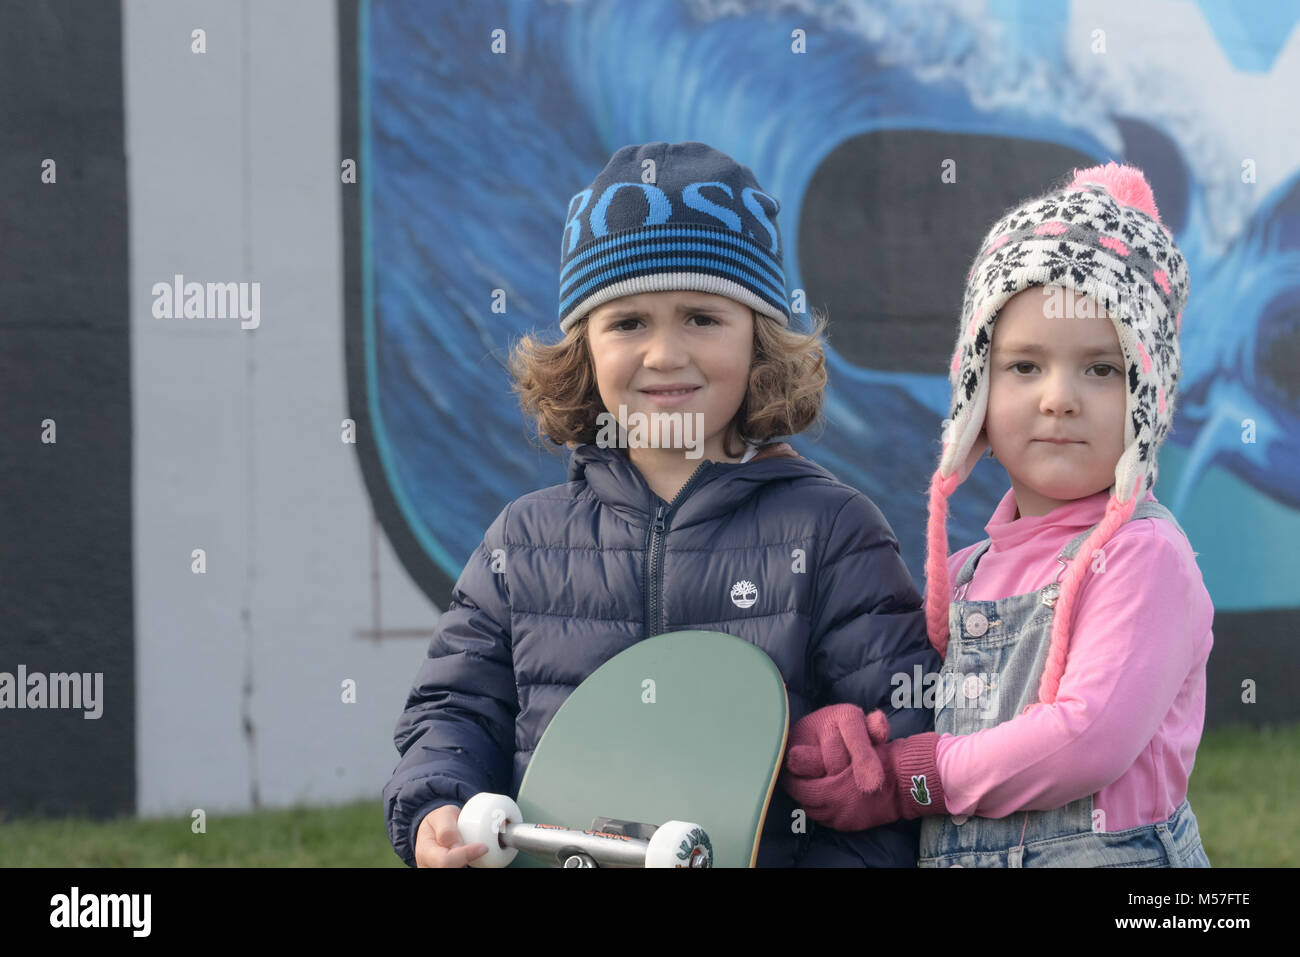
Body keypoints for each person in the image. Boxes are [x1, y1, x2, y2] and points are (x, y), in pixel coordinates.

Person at [382, 140, 940, 867]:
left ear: (760, 339)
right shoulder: (522, 541)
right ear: (582, 348)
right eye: (628, 322)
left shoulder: (833, 532)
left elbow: (895, 754)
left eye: (702, 317)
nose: (665, 353)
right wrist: (438, 804)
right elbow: (454, 713)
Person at [781, 163, 1215, 867]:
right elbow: (925, 704)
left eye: (1102, 369)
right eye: (1024, 367)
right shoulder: (966, 573)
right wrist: (856, 741)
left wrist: (914, 776)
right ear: (975, 393)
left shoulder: (1143, 557)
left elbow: (1086, 736)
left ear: (1148, 400)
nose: (1059, 398)